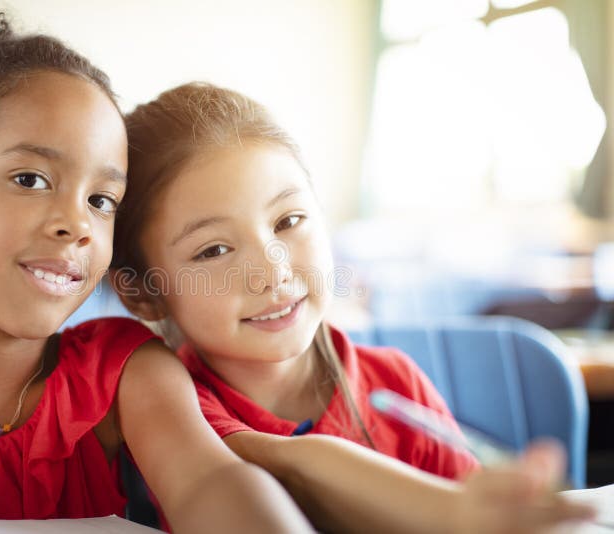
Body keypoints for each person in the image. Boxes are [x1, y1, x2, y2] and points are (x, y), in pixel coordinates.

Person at [0, 5, 314, 531]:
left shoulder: (123, 372)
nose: (78, 223)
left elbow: (210, 481)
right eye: (31, 179)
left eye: (101, 200)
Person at [110, 81, 597, 532]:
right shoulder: (175, 414)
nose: (273, 271)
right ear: (143, 292)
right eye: (214, 250)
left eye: (289, 220)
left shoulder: (396, 384)